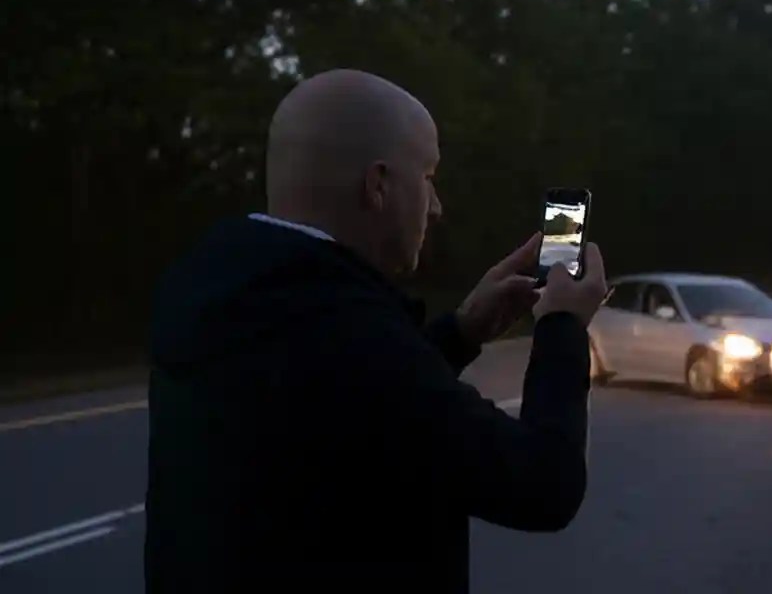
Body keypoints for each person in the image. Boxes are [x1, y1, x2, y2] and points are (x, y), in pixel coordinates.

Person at [144, 69, 608, 593]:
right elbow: (544, 484)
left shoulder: (224, 290)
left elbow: (341, 408)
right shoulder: (347, 333)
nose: (436, 207)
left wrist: (460, 331)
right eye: (429, 178)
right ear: (379, 185)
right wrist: (563, 326)